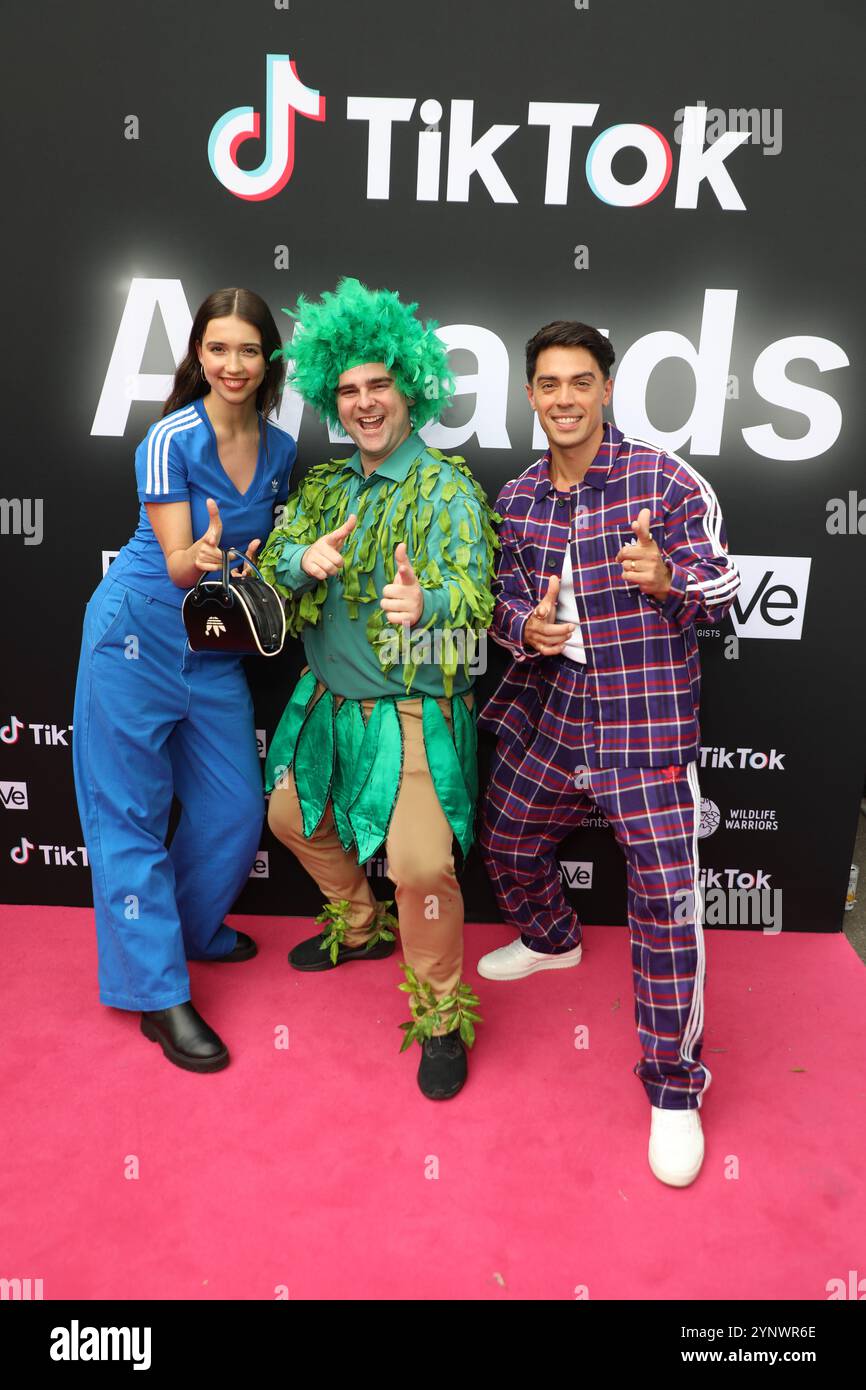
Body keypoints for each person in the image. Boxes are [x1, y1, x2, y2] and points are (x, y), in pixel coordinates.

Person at [477, 320, 740, 1184]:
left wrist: (669, 581)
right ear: (529, 395)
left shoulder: (661, 480)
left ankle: (673, 1088)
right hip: (559, 709)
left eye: (579, 382)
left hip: (645, 718)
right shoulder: (515, 497)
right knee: (509, 838)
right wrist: (528, 628)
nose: (564, 399)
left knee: (664, 903)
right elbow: (500, 602)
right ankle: (553, 938)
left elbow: (725, 595)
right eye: (548, 384)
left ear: (606, 388)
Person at [258, 277, 497, 1100]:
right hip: (328, 708)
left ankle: (438, 1016)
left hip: (414, 715)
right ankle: (360, 925)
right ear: (333, 396)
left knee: (422, 866)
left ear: (410, 387)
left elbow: (476, 623)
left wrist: (425, 602)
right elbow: (270, 569)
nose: (363, 403)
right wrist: (299, 560)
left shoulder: (449, 492)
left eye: (378, 386)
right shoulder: (323, 490)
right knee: (287, 816)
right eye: (348, 390)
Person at [73, 288, 296, 1072]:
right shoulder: (169, 439)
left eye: (248, 350)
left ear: (270, 360)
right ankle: (158, 996)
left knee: (237, 809)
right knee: (128, 813)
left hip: (214, 647)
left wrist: (257, 570)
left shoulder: (281, 448)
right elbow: (176, 564)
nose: (233, 365)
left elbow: (257, 555)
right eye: (218, 348)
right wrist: (198, 558)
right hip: (136, 633)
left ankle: (192, 930)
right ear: (198, 354)